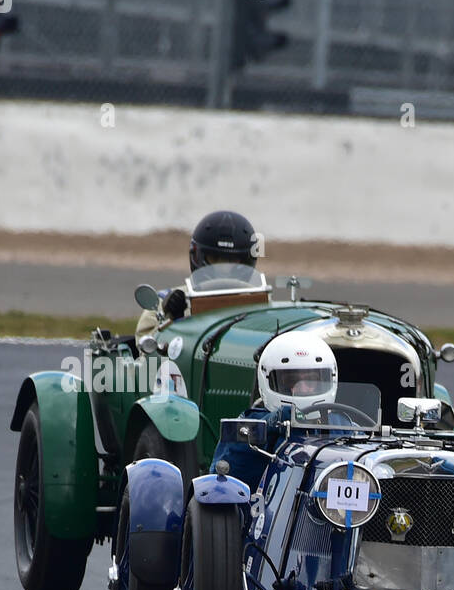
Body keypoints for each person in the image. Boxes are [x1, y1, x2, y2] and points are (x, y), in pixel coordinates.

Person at [211, 330, 338, 490]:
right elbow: (219, 482)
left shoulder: (345, 425)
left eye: (312, 381)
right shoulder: (253, 424)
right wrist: (269, 427)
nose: (303, 389)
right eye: (291, 381)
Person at [135, 210, 259, 341]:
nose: (224, 270)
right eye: (215, 259)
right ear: (197, 256)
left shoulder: (260, 306)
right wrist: (172, 320)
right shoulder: (162, 304)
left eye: (232, 261)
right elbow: (146, 350)